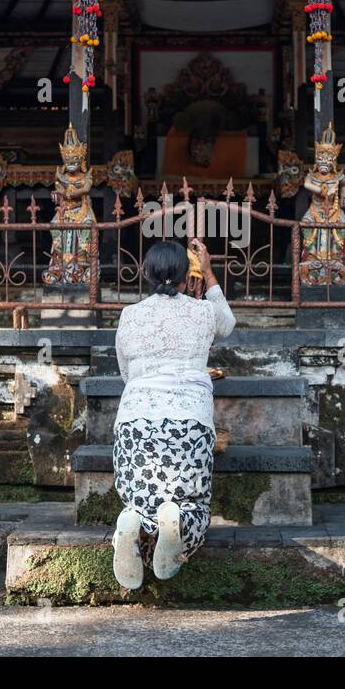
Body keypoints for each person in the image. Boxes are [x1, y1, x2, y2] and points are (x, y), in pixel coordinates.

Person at [110, 237, 236, 588]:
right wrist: (209, 273)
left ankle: (132, 520)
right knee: (193, 505)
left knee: (139, 498)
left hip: (135, 426)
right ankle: (178, 523)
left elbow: (126, 374)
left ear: (145, 274)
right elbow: (227, 323)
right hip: (188, 426)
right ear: (186, 275)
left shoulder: (129, 315)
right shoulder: (202, 311)